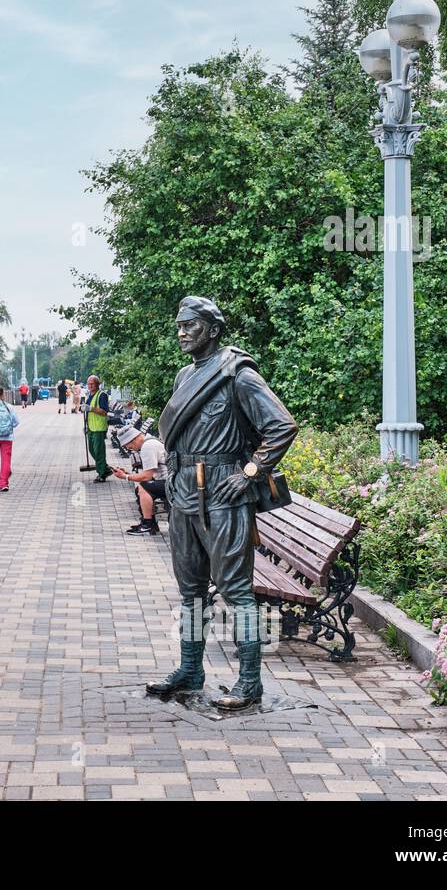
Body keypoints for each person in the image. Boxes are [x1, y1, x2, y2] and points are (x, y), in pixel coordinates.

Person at [145, 296, 298, 710]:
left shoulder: (237, 375)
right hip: (183, 490)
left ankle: (250, 683)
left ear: (212, 330)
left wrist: (249, 473)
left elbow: (281, 426)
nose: (181, 332)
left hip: (223, 493)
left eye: (189, 325)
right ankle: (191, 669)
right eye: (178, 325)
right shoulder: (183, 376)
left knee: (236, 591)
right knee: (190, 589)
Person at [111, 425, 169, 536]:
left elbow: (146, 476)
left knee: (144, 487)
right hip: (169, 480)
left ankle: (147, 525)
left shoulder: (148, 447)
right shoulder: (149, 442)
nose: (128, 448)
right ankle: (150, 524)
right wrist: (128, 475)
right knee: (142, 487)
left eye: (128, 445)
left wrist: (125, 477)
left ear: (133, 439)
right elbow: (149, 474)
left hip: (170, 482)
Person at [84, 374, 111, 481]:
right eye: (89, 384)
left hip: (99, 428)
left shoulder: (102, 395)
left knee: (99, 451)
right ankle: (105, 468)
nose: (90, 386)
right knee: (92, 449)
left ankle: (102, 474)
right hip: (91, 427)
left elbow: (104, 412)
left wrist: (91, 408)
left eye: (92, 384)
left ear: (97, 384)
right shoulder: (90, 395)